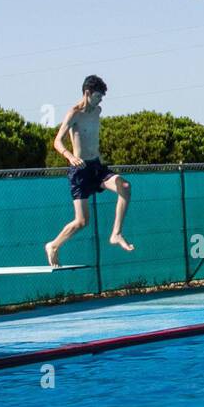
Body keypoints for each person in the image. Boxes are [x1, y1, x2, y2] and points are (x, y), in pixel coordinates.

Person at [44, 75, 135, 267]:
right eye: (98, 96)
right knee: (82, 222)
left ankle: (116, 233)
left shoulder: (97, 111)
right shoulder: (74, 114)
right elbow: (57, 141)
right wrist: (70, 156)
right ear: (87, 93)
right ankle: (53, 246)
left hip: (97, 167)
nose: (100, 100)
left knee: (125, 186)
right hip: (80, 171)